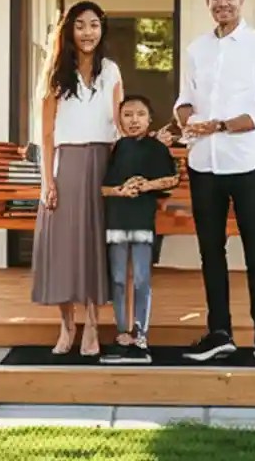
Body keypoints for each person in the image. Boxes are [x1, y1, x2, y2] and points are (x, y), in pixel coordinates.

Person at [160, 0, 255, 366]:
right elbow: (184, 98)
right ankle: (220, 333)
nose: (222, 4)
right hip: (202, 163)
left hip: (246, 161)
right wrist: (185, 120)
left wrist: (221, 125)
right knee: (210, 251)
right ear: (207, 2)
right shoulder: (196, 49)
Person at [31, 0, 122, 357]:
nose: (88, 32)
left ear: (102, 29)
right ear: (69, 31)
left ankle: (93, 327)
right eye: (81, 25)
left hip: (102, 162)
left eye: (94, 25)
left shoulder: (111, 71)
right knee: (62, 247)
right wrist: (47, 182)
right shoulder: (54, 73)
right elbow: (47, 134)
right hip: (65, 164)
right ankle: (67, 326)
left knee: (93, 247)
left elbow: (118, 125)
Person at [99, 95, 179, 365]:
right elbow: (100, 186)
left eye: (140, 114)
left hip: (143, 222)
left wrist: (146, 185)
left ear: (149, 118)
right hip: (116, 220)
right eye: (127, 114)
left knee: (143, 279)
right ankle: (122, 332)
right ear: (119, 119)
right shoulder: (115, 148)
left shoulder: (157, 148)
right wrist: (119, 191)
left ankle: (141, 334)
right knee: (119, 278)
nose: (134, 120)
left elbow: (172, 179)